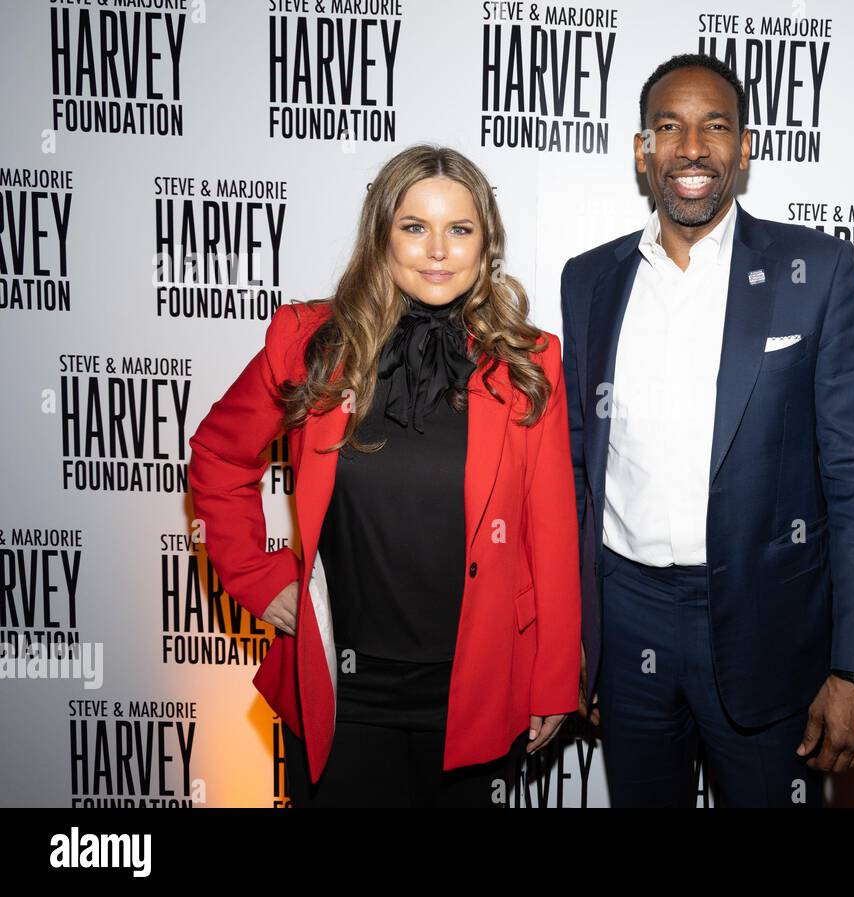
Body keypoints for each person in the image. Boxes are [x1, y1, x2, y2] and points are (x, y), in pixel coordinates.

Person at [188, 144, 581, 807]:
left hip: (477, 687)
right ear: (382, 235)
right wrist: (257, 575)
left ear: (487, 244)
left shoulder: (529, 361)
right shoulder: (309, 342)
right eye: (414, 226)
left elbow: (552, 531)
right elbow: (219, 455)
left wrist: (550, 681)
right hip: (346, 690)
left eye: (459, 229)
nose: (437, 249)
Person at [560, 54, 854, 807]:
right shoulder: (589, 279)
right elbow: (580, 473)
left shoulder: (816, 269)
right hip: (626, 614)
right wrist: (578, 644)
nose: (691, 148)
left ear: (745, 149)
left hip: (770, 626)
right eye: (669, 127)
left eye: (715, 126)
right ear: (642, 150)